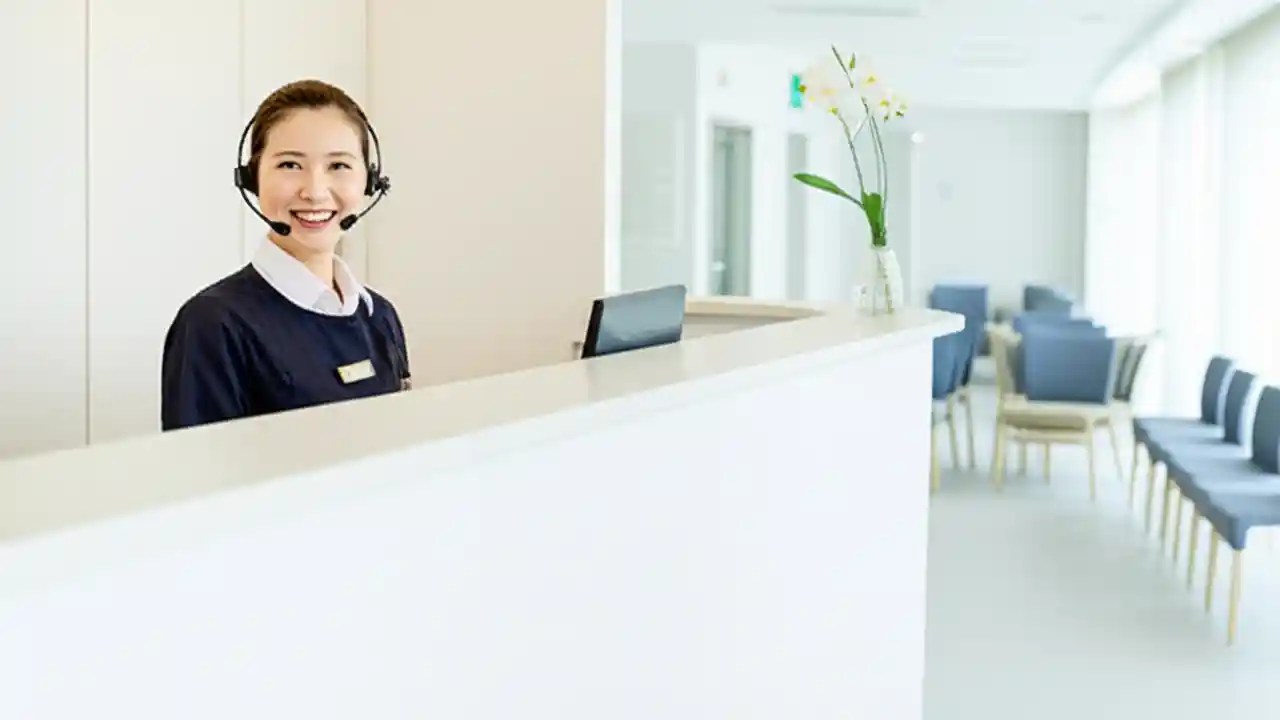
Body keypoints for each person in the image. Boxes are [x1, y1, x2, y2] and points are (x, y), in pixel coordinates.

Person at [161, 79, 409, 431]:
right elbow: (201, 475)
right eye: (290, 165)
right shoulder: (213, 324)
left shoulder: (380, 316)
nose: (314, 191)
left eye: (338, 166)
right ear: (252, 179)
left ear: (369, 181)